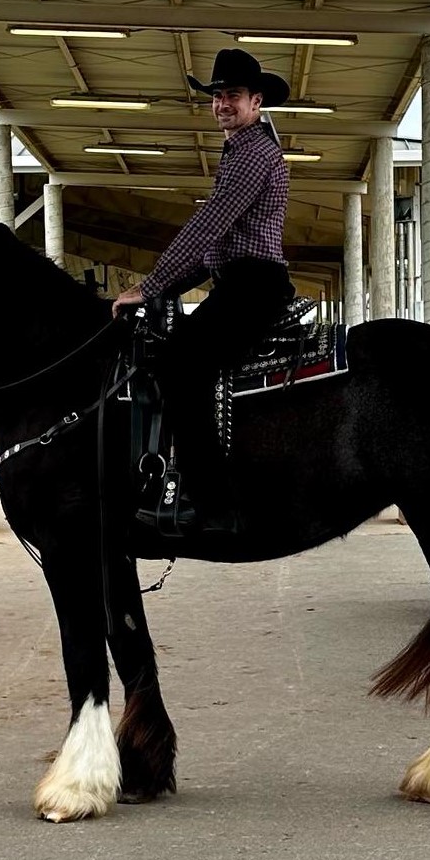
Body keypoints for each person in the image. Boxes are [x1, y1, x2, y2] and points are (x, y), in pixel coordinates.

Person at [112, 48, 295, 530]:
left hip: (253, 286)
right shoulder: (241, 151)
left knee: (179, 366)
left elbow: (211, 223)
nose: (222, 104)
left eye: (233, 94)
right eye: (217, 96)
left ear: (256, 101)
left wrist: (152, 284)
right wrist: (160, 289)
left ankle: (210, 503)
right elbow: (217, 250)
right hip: (239, 280)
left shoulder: (253, 152)